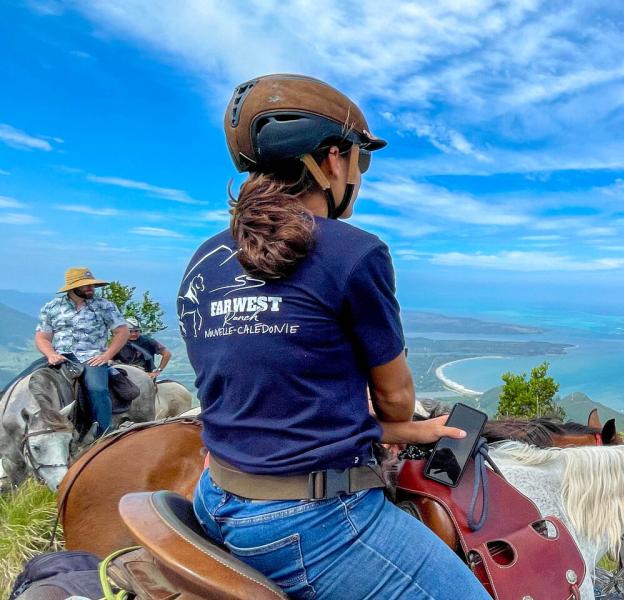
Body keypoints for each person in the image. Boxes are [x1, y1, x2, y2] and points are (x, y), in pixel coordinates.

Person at [179, 74, 490, 600]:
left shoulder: (204, 258)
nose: (360, 177)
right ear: (329, 162)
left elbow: (257, 389)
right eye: (359, 161)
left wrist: (387, 431)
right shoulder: (353, 251)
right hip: (309, 521)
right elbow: (396, 396)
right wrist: (397, 422)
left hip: (216, 493)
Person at [34, 267, 129, 434]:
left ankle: (104, 432)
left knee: (97, 388)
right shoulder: (51, 307)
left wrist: (107, 355)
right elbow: (42, 337)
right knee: (28, 380)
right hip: (61, 356)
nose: (90, 288)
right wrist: (50, 354)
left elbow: (122, 331)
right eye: (86, 286)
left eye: (91, 285)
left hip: (92, 357)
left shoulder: (104, 306)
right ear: (73, 288)